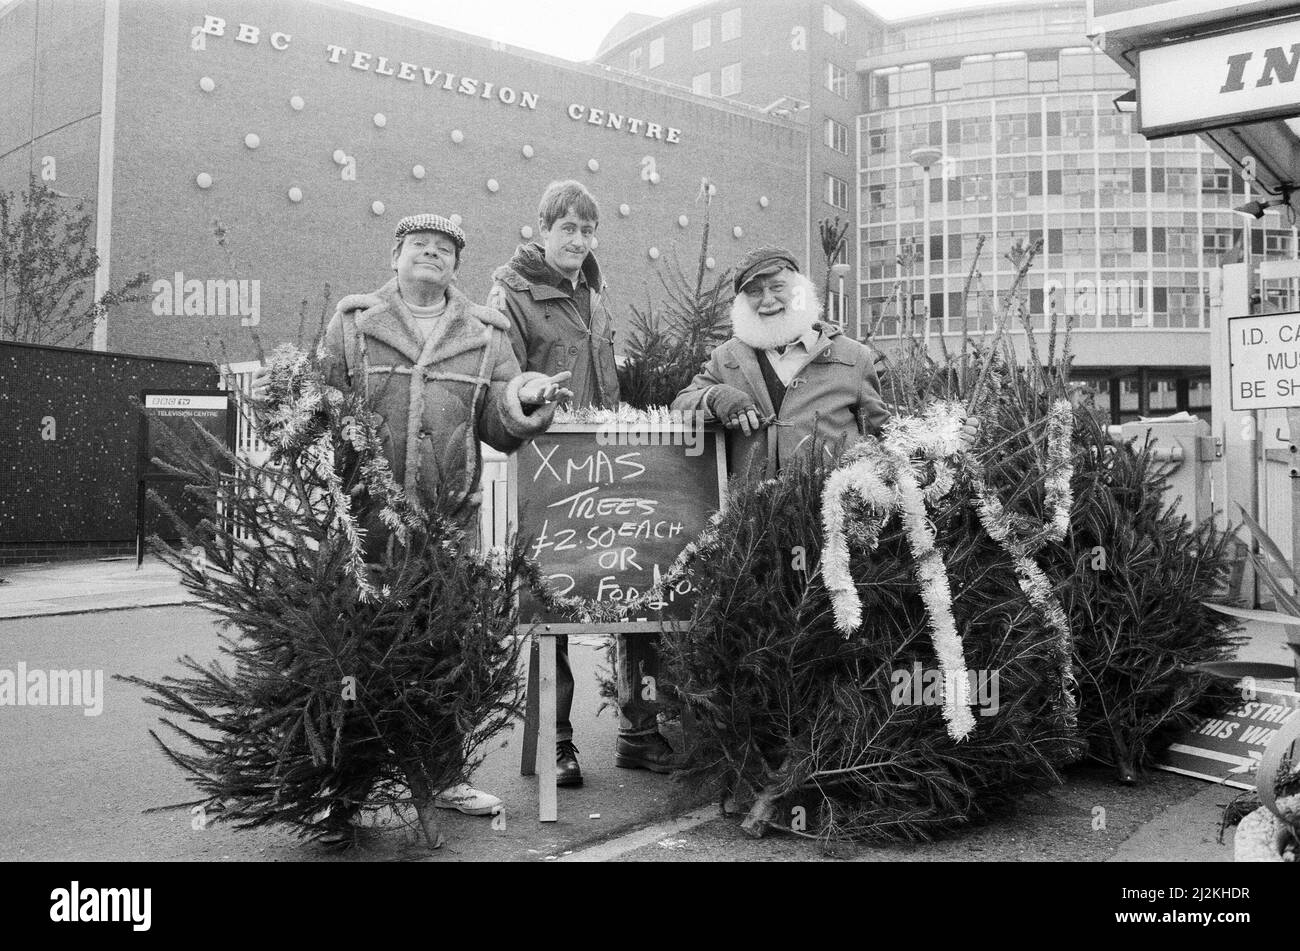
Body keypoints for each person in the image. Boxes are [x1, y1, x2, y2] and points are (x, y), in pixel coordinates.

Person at [251, 212, 571, 824]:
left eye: (445, 249)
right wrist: (287, 402)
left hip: (448, 524)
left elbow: (499, 423)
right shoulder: (354, 323)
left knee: (441, 651)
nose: (432, 255)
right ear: (395, 255)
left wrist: (527, 399)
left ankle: (444, 776)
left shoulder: (486, 332)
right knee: (355, 651)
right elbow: (318, 404)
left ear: (457, 264)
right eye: (419, 246)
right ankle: (347, 785)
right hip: (363, 524)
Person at [489, 180, 680, 787]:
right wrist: (533, 398)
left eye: (587, 229)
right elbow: (500, 380)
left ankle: (639, 732)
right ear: (542, 230)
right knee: (553, 611)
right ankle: (557, 742)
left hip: (605, 461)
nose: (578, 239)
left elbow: (607, 380)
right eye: (566, 228)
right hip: (547, 467)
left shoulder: (594, 293)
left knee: (638, 591)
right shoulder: (511, 293)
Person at [673, 246, 894, 481]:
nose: (767, 300)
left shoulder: (854, 356)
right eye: (755, 292)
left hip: (829, 512)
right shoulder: (726, 358)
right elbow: (680, 408)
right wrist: (714, 396)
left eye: (777, 287)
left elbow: (881, 436)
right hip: (750, 513)